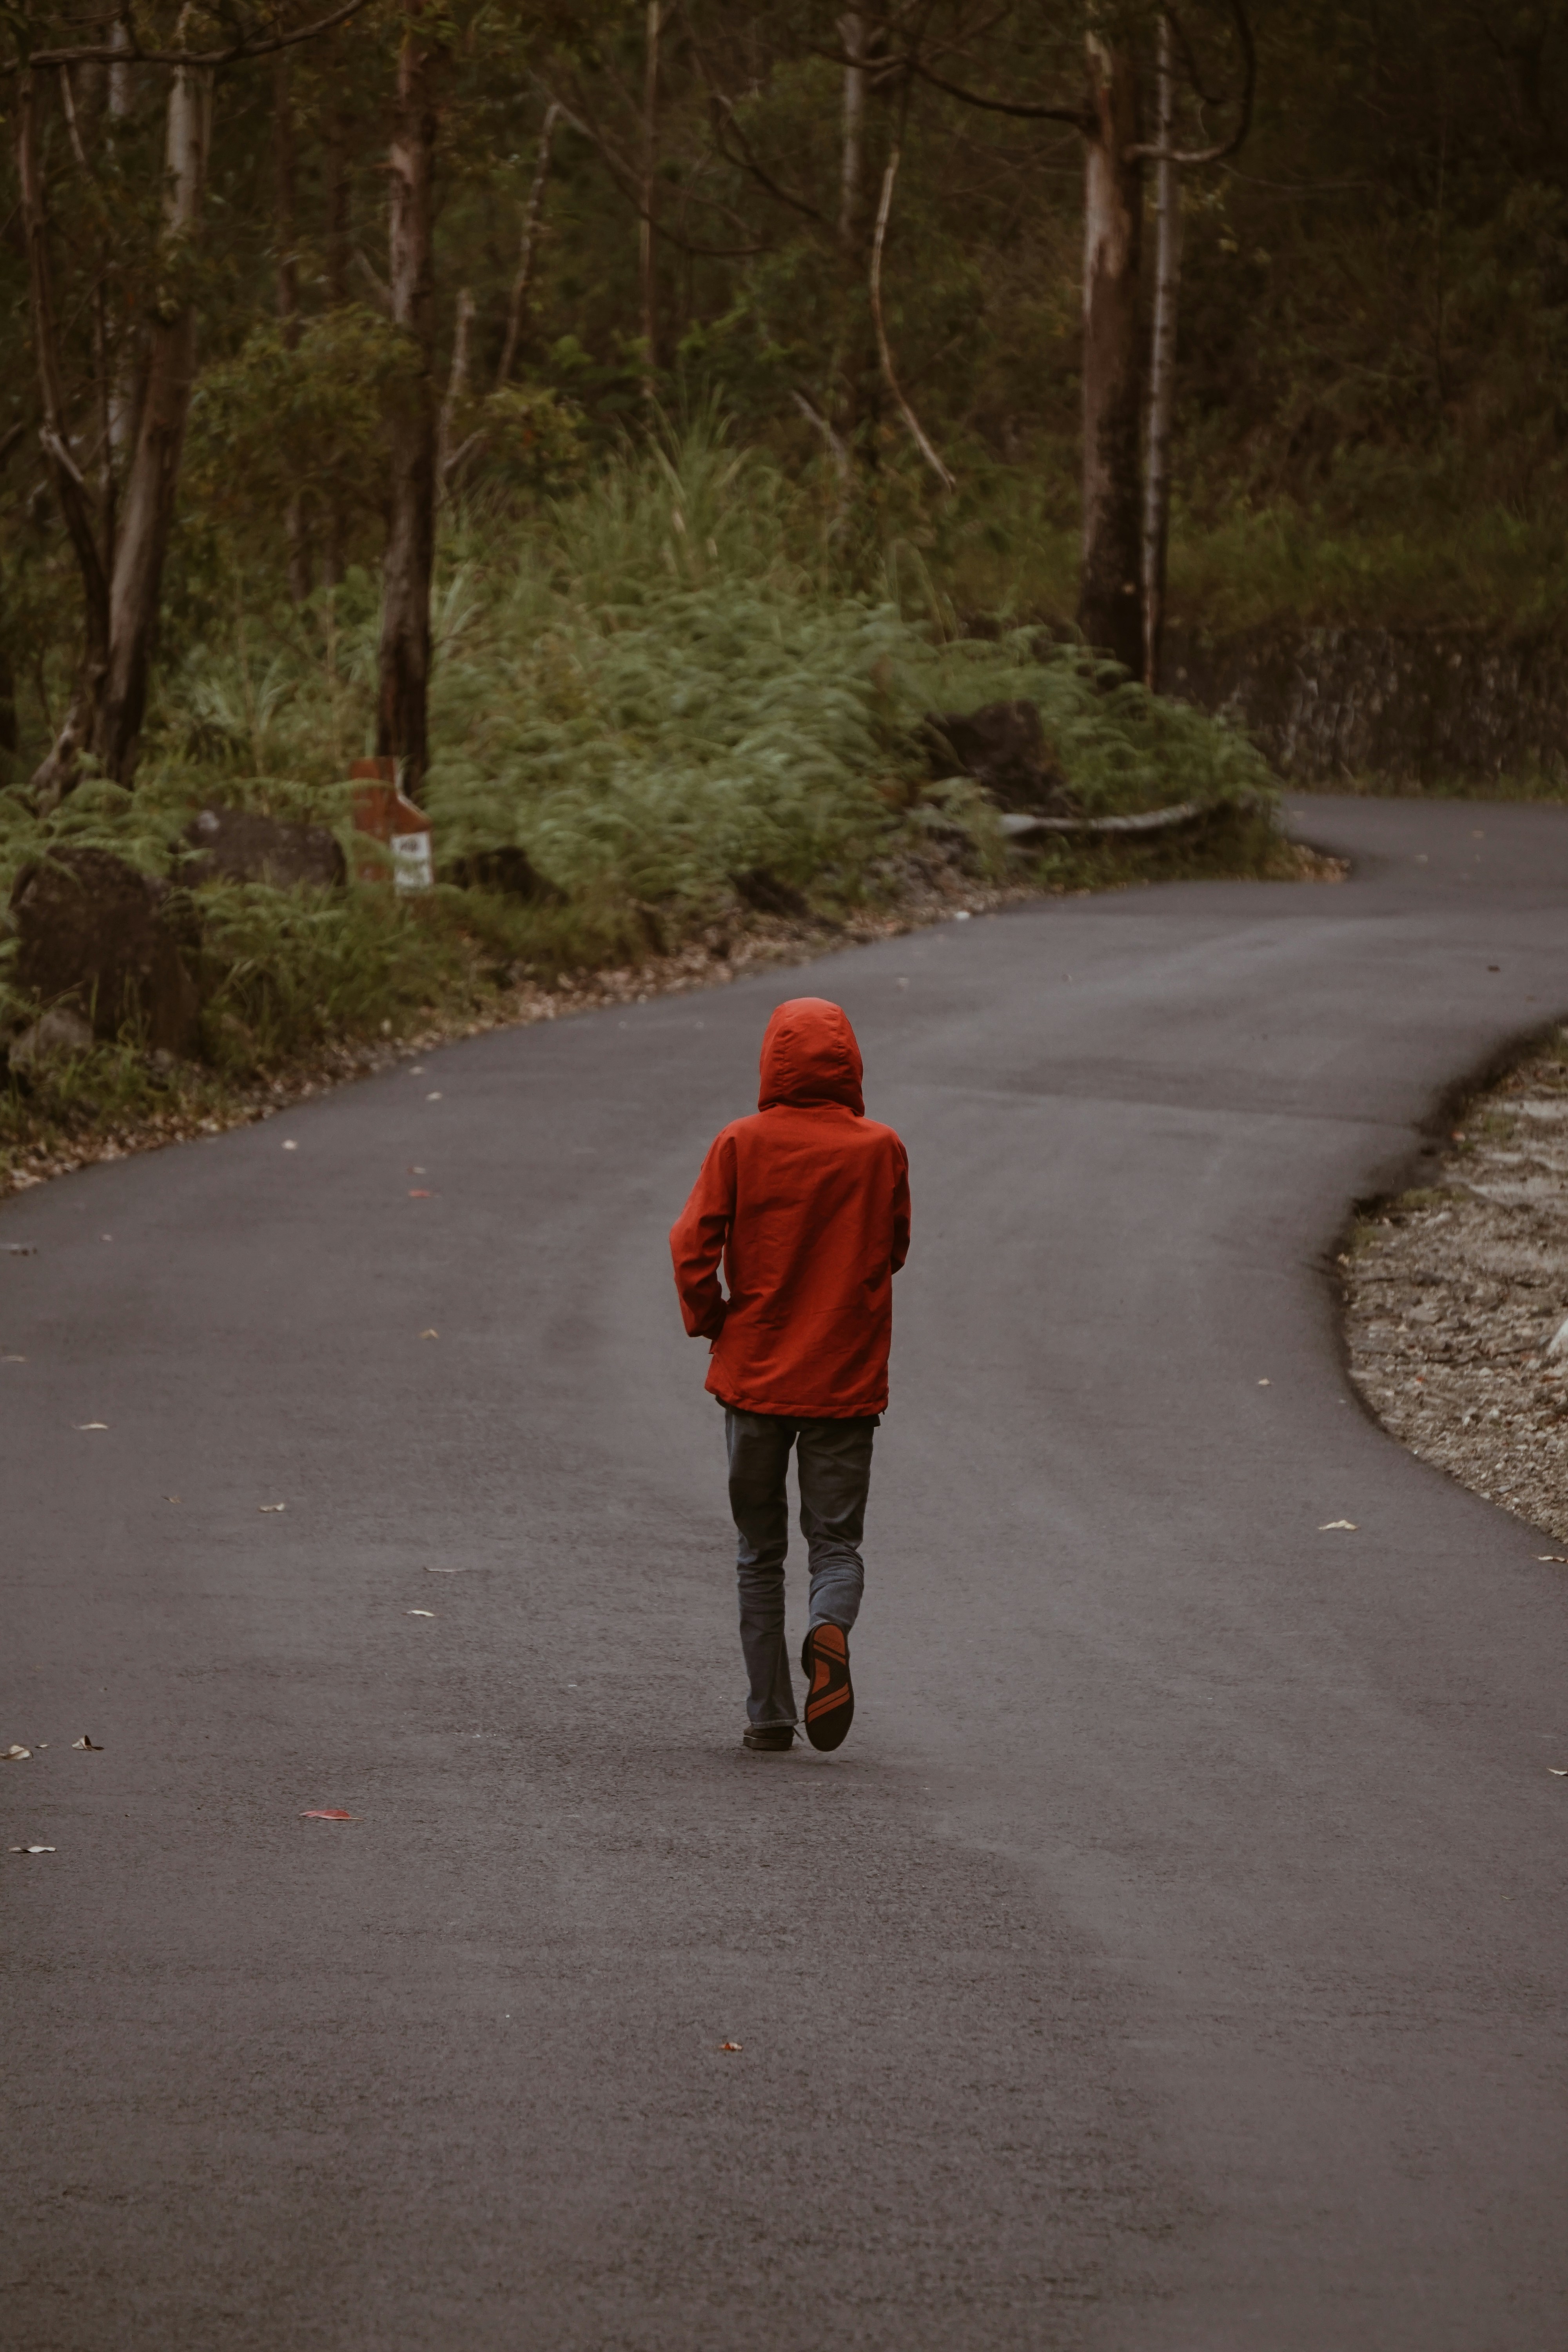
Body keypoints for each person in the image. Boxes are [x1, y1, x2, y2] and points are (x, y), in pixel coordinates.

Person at [669, 997, 911, 1754]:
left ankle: (769, 1714)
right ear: (850, 1063)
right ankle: (829, 1627)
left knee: (759, 1551)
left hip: (756, 1376)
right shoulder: (880, 1150)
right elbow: (893, 1247)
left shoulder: (741, 1142)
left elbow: (690, 1246)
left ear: (772, 1060)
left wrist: (715, 1319)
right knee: (835, 1544)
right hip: (843, 1378)